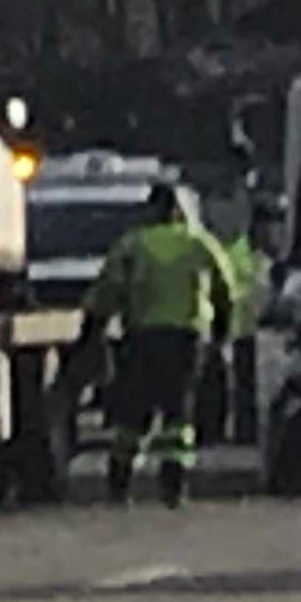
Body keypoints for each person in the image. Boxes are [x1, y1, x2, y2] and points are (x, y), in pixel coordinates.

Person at [83, 183, 247, 507]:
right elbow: (226, 292)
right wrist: (221, 338)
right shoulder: (199, 243)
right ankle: (172, 488)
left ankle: (120, 483)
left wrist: (93, 333)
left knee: (133, 413)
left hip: (141, 338)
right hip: (185, 339)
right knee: (178, 414)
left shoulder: (132, 245)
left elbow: (106, 292)